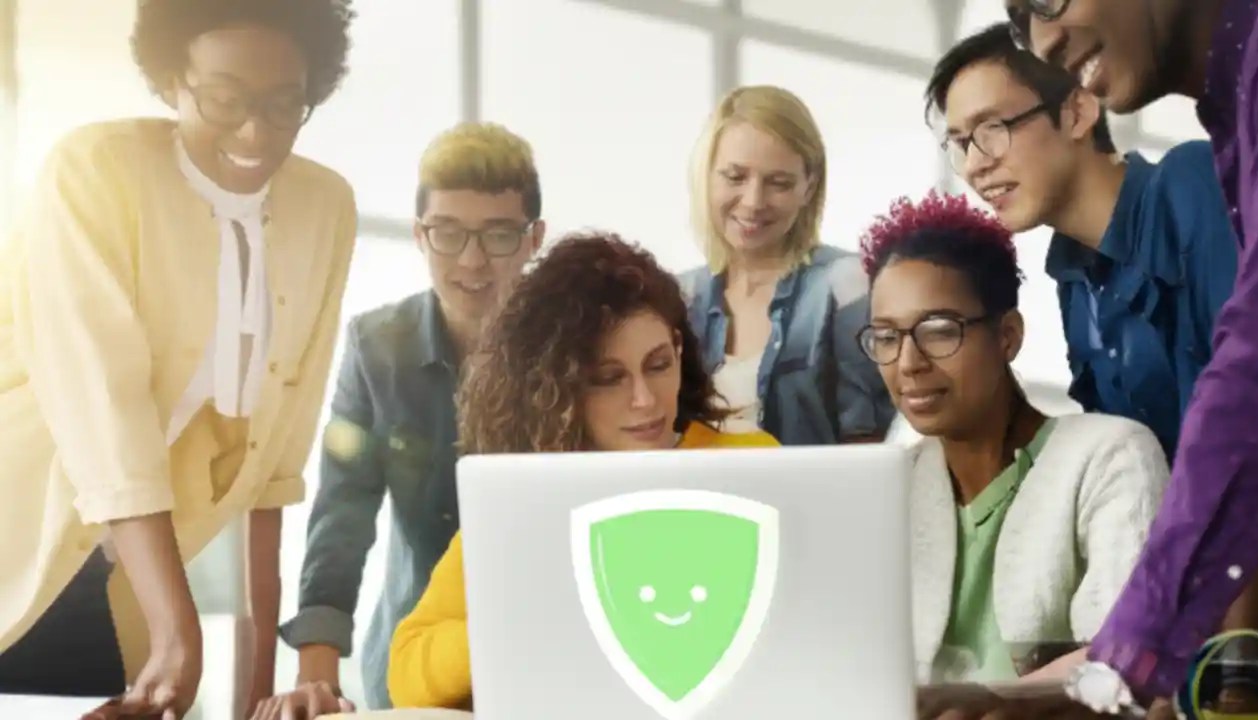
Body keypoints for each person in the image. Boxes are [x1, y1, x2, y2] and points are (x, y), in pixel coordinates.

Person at [0, 0, 356, 716]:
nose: (256, 132)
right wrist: (177, 629)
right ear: (171, 80)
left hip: (123, 598)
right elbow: (103, 412)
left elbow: (272, 469)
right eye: (225, 99)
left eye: (284, 105)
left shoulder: (325, 207)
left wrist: (262, 684)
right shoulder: (94, 170)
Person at [1003, 0, 1258, 714]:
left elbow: (1257, 387)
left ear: (1075, 116)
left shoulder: (1198, 171)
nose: (1044, 39)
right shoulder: (1072, 282)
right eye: (1020, 19)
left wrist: (1147, 668)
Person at [384, 232, 780, 709]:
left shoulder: (754, 462)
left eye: (658, 365)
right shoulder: (523, 499)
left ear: (679, 350)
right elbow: (407, 672)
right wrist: (520, 622)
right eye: (609, 379)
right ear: (558, 390)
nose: (645, 399)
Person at [259, 123, 545, 718]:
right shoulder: (376, 347)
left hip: (540, 647)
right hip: (414, 663)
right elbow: (343, 512)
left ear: (533, 239)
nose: (471, 260)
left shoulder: (574, 348)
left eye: (498, 235)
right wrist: (317, 677)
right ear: (420, 235)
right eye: (448, 233)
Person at [858, 191, 1168, 686]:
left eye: (939, 330)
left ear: (1007, 336)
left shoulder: (1111, 456)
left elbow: (1125, 661)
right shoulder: (892, 488)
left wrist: (994, 705)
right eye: (887, 337)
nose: (909, 363)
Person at [926, 22, 1239, 463]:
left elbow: (1249, 396)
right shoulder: (1074, 279)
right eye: (961, 143)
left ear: (1077, 112)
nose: (975, 165)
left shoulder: (1188, 187)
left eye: (992, 128)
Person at [682, 85, 895, 445]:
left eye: (779, 183)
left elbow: (867, 444)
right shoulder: (679, 298)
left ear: (809, 188)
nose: (753, 201)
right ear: (706, 175)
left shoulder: (846, 286)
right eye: (735, 177)